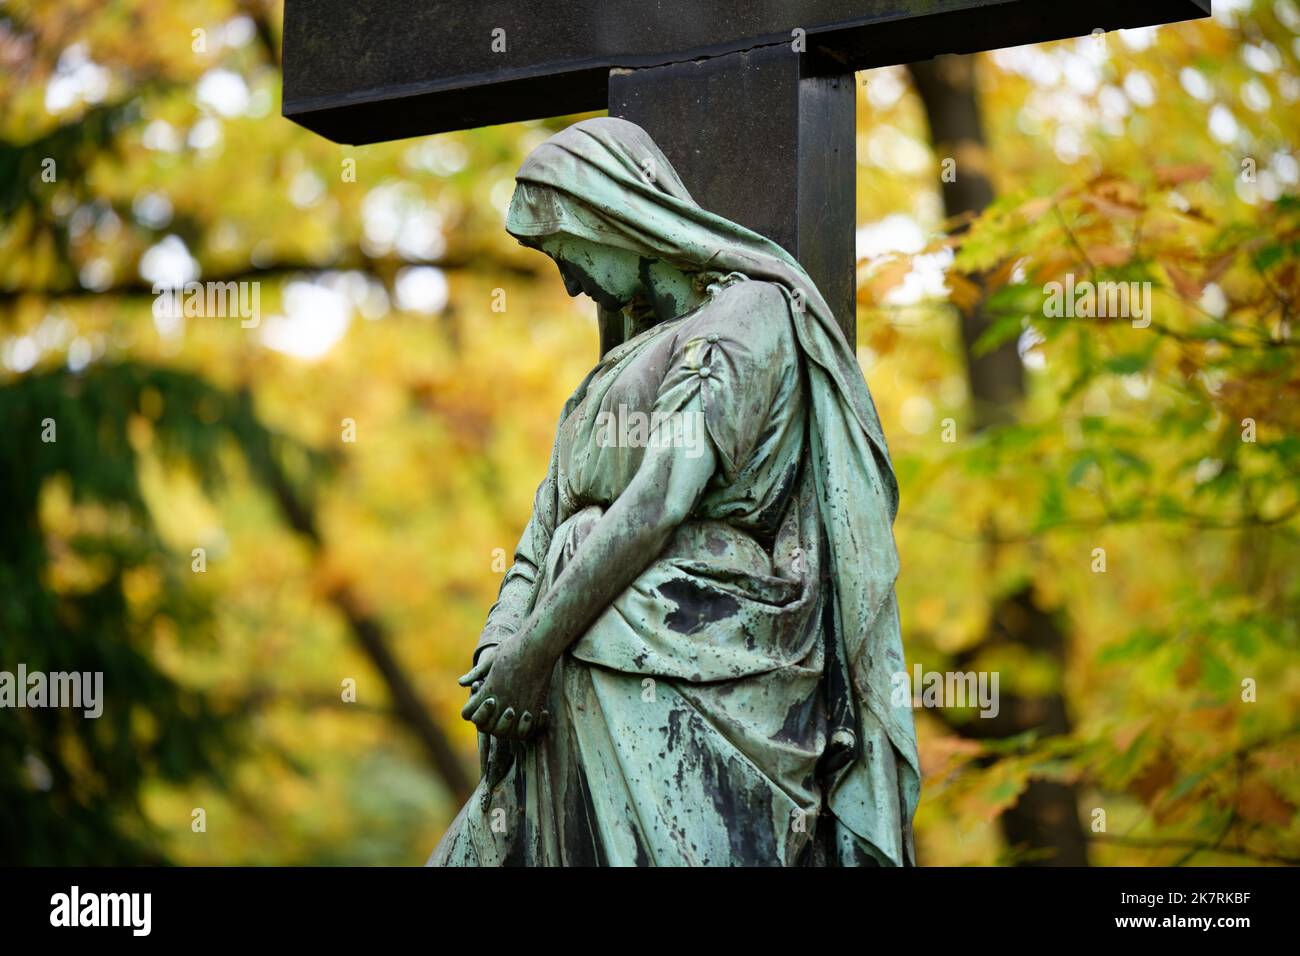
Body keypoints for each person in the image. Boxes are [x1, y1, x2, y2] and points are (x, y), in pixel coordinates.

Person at [429, 117, 918, 866]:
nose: (567, 280)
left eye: (566, 251)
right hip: (581, 681)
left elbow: (659, 501)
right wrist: (501, 644)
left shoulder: (747, 316)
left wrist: (532, 651)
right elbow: (545, 523)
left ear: (612, 215)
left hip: (699, 666)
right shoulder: (616, 369)